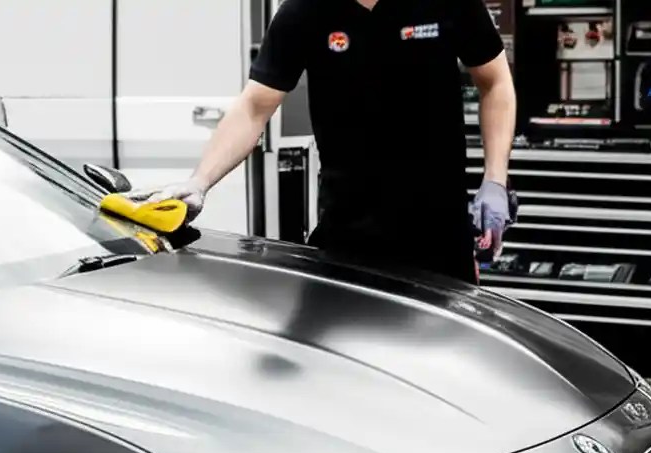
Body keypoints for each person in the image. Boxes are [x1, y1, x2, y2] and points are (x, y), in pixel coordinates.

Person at [129, 0, 518, 285]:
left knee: (445, 372)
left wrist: (495, 179)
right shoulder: (306, 10)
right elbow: (254, 106)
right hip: (348, 232)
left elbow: (496, 81)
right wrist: (200, 181)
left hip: (439, 232)